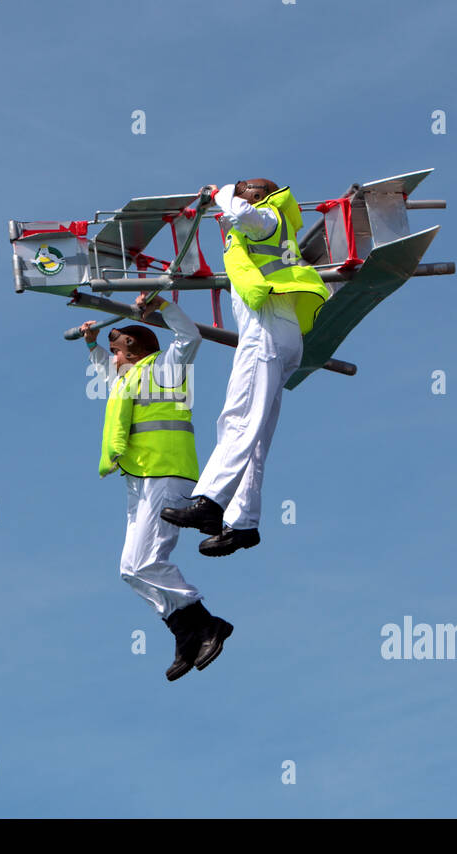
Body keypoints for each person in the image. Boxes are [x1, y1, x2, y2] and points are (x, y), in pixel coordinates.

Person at [161, 180, 329, 557]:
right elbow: (236, 224)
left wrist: (222, 190)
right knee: (253, 434)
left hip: (266, 332)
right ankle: (242, 523)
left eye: (246, 188)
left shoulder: (268, 217)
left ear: (261, 195)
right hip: (279, 333)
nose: (240, 193)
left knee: (238, 419)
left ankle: (209, 502)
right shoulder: (265, 227)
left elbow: (241, 214)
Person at [80, 293, 233, 681]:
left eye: (116, 352)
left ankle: (206, 622)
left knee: (148, 561)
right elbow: (108, 374)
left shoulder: (164, 369)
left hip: (166, 475)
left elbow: (189, 337)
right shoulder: (127, 379)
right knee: (131, 569)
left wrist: (163, 306)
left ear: (131, 349)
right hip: (140, 480)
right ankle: (184, 632)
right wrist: (92, 347)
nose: (112, 361)